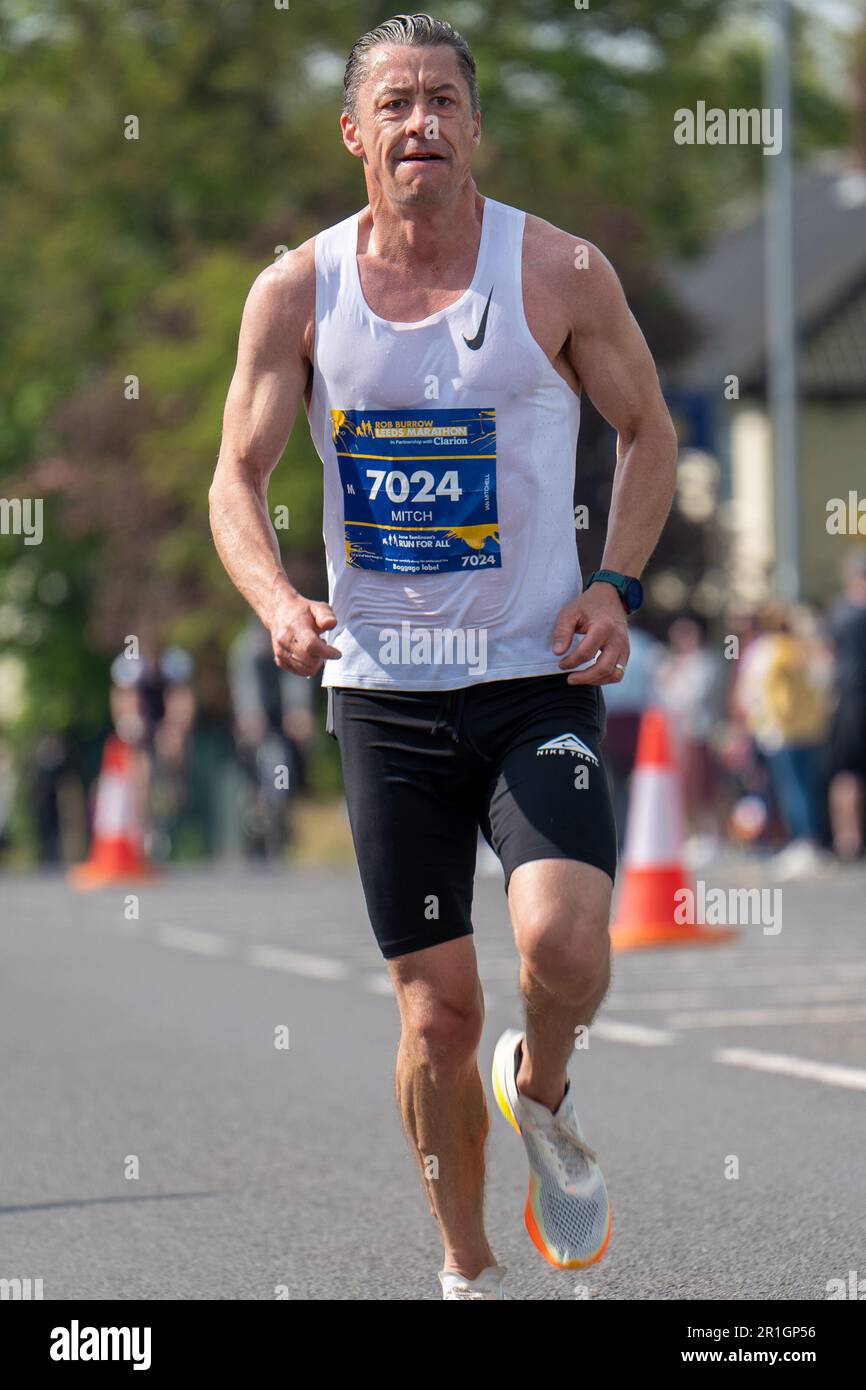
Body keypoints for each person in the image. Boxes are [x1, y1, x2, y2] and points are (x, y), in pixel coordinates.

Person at [209, 13, 677, 1300]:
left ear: (475, 128)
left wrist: (614, 583)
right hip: (384, 699)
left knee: (566, 947)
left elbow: (647, 431)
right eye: (395, 105)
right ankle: (466, 1266)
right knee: (434, 1017)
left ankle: (545, 1086)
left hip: (533, 678)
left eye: (443, 104)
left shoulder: (559, 270)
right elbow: (235, 478)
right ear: (355, 133)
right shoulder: (297, 290)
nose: (421, 125)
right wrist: (273, 599)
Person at [825, 551, 866, 860]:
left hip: (850, 701)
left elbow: (827, 658)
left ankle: (847, 840)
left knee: (845, 775)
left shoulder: (841, 614)